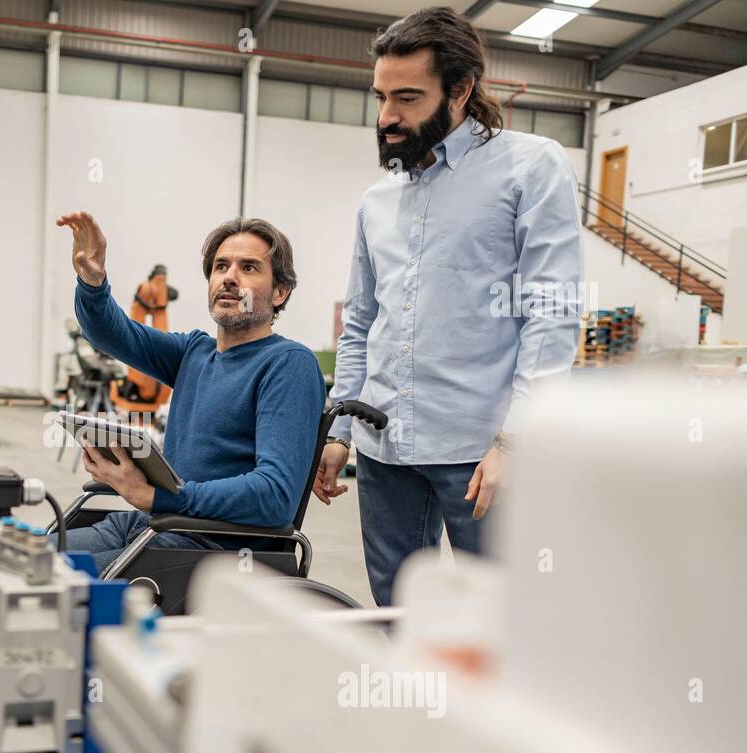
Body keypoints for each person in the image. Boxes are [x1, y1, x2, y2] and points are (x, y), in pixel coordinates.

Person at [315, 6, 582, 606]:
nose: (387, 116)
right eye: (380, 96)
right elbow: (361, 323)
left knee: (503, 621)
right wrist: (339, 429)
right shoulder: (377, 201)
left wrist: (517, 440)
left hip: (482, 450)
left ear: (461, 90)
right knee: (398, 612)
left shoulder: (530, 167)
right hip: (384, 448)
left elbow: (553, 309)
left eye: (408, 97)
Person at [53, 211, 324, 574]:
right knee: (19, 560)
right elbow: (111, 333)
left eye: (248, 268)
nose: (229, 277)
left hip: (212, 545)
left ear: (280, 292)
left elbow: (274, 495)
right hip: (155, 524)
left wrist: (158, 496)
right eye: (220, 266)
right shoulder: (195, 352)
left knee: (55, 586)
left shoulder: (288, 363)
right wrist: (92, 279)